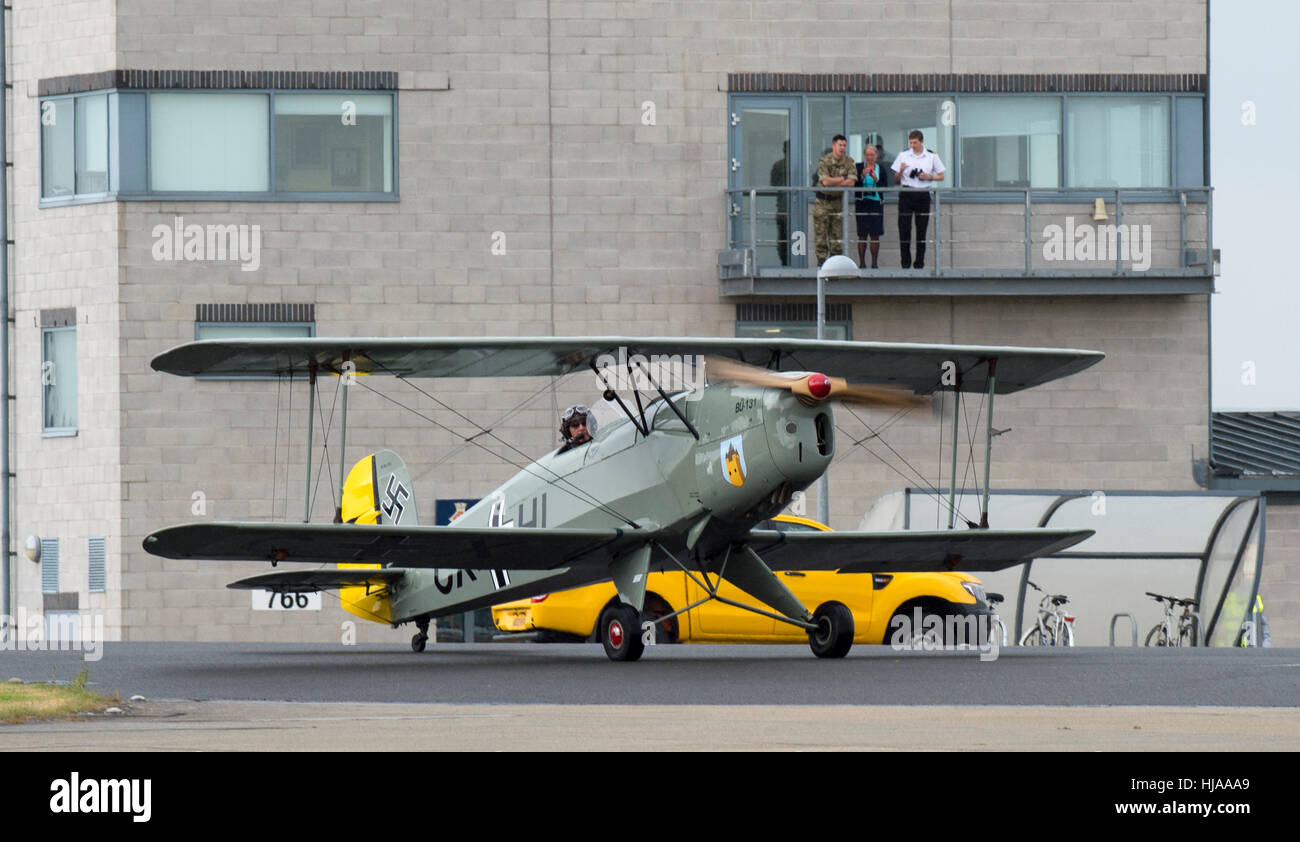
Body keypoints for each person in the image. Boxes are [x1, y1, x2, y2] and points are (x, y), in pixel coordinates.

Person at [891, 130, 945, 270]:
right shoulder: (903, 155)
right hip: (906, 193)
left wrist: (929, 177)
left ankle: (919, 264)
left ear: (921, 142)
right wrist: (901, 171)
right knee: (904, 230)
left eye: (915, 142)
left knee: (921, 230)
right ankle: (905, 264)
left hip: (922, 194)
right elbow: (896, 180)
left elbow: (941, 175)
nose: (912, 145)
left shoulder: (931, 156)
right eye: (910, 142)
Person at [813, 134, 857, 265]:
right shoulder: (824, 161)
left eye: (844, 145)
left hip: (838, 202)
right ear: (834, 146)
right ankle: (821, 263)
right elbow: (825, 182)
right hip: (823, 202)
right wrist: (842, 179)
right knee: (821, 235)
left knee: (837, 237)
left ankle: (835, 264)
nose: (842, 148)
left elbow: (852, 182)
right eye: (840, 145)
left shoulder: (849, 161)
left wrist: (835, 182)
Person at [854, 144, 888, 269]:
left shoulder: (881, 169)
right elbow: (853, 185)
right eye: (867, 155)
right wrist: (862, 176)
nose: (869, 157)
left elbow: (885, 187)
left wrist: (876, 180)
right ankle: (862, 263)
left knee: (875, 234)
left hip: (876, 203)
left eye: (872, 155)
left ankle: (874, 263)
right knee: (862, 234)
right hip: (862, 203)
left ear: (876, 156)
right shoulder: (858, 167)